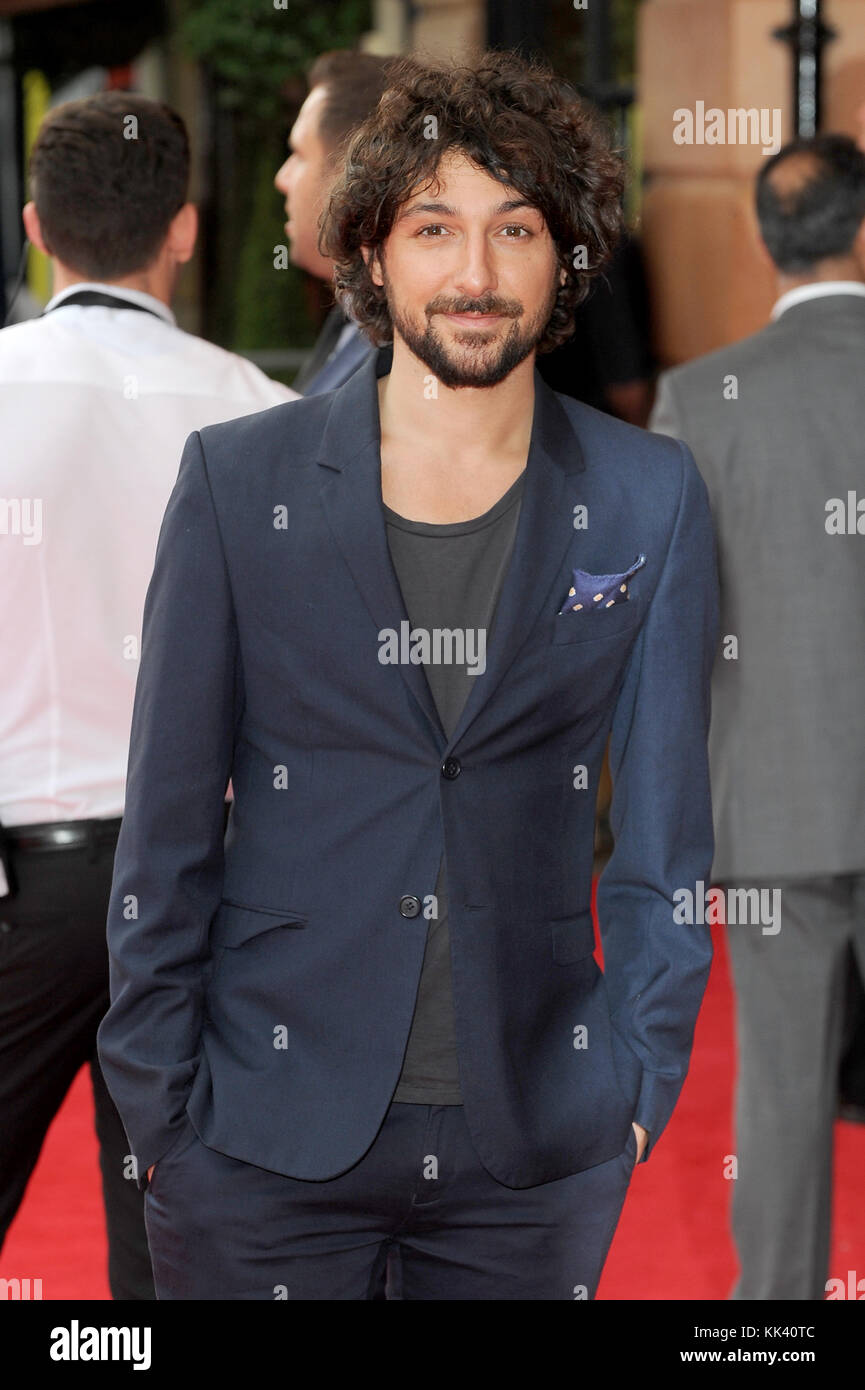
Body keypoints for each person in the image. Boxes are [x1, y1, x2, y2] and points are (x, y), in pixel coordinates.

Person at [97, 50, 718, 1301]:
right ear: (372, 256)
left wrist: (636, 1085)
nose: (475, 272)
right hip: (258, 1132)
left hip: (532, 1148)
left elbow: (666, 837)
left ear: (566, 260)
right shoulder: (238, 482)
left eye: (516, 228)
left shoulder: (647, 495)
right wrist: (162, 1112)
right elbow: (166, 824)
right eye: (434, 227)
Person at [0, 89, 296, 1300]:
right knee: (175, 1246)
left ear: (34, 228)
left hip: (24, 883)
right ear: (184, 227)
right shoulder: (267, 412)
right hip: (208, 885)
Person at [650, 133, 865, 1301]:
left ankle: (774, 1330)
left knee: (779, 1094)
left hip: (777, 804)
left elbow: (665, 630)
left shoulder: (704, 399)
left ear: (765, 241)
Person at [275, 49, 397, 395]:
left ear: (349, 175)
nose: (282, 178)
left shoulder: (404, 348)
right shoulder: (353, 317)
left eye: (299, 154)